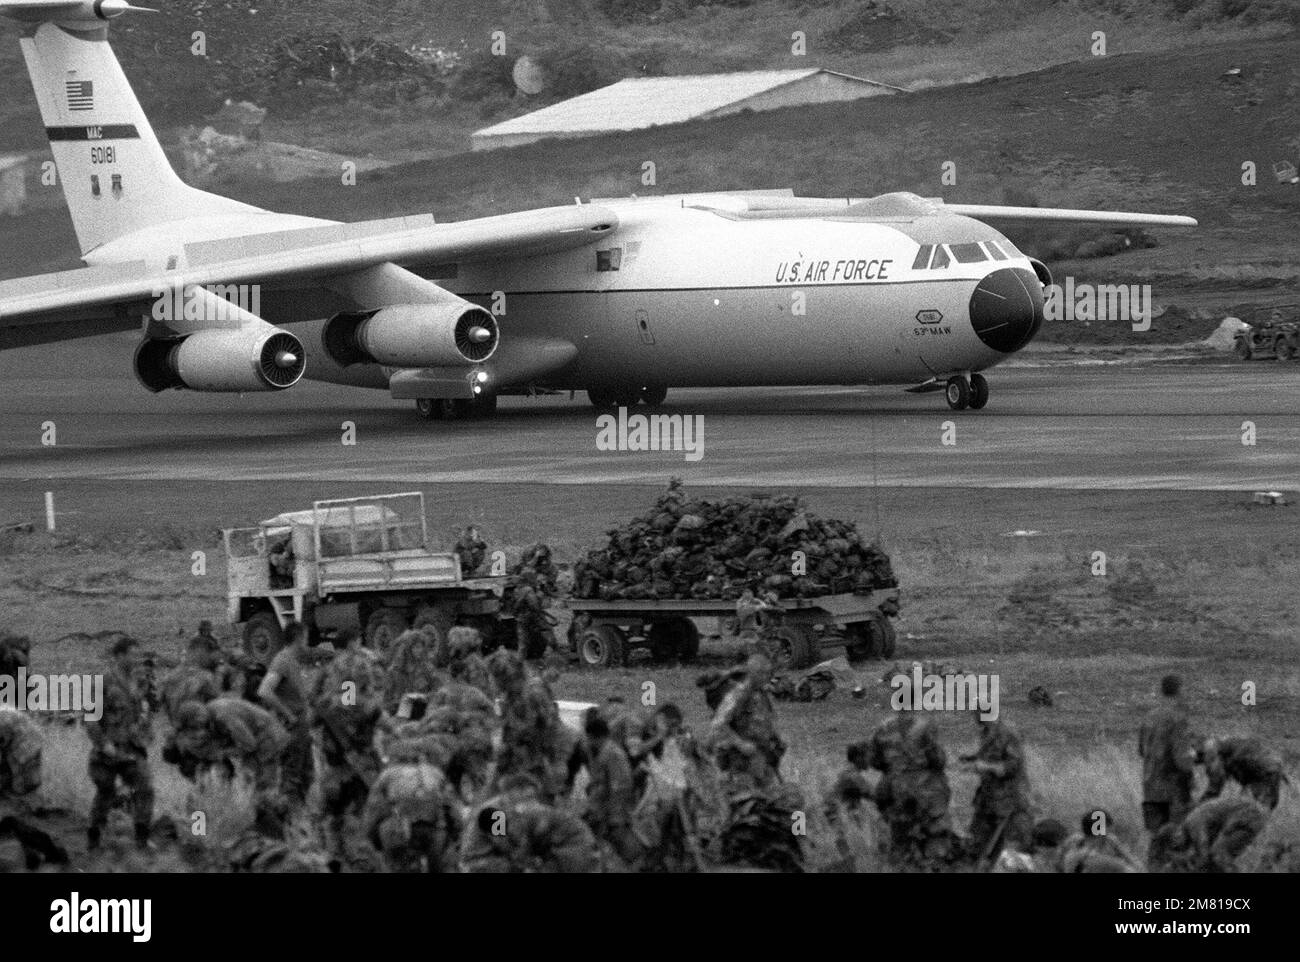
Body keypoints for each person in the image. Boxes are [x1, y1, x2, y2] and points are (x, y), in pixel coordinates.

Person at [87, 636, 155, 851]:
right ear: (119, 656)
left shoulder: (136, 683)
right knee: (105, 794)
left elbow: (140, 715)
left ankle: (142, 840)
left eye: (137, 655)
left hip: (131, 749)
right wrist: (103, 743)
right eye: (132, 655)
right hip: (107, 750)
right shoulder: (104, 682)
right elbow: (90, 718)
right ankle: (94, 837)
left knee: (145, 788)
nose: (136, 660)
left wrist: (145, 729)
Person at [865, 711, 953, 867]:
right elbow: (938, 760)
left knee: (900, 840)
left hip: (897, 792)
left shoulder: (883, 727)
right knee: (936, 839)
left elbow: (873, 760)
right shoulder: (925, 726)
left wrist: (894, 768)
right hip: (928, 792)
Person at [0, 706, 68, 870]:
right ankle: (31, 853)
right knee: (11, 808)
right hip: (18, 745)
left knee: (16, 807)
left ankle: (50, 851)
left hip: (24, 748)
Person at [706, 653, 786, 789]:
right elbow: (718, 724)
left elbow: (765, 720)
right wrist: (740, 744)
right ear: (751, 673)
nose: (766, 677)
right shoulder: (738, 694)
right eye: (761, 673)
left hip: (761, 753)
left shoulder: (761, 694)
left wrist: (776, 739)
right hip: (740, 757)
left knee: (768, 796)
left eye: (768, 673)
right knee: (744, 797)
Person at [256, 621, 315, 805]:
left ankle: (299, 817)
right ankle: (288, 817)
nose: (307, 642)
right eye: (305, 637)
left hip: (301, 728)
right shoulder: (282, 660)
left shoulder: (292, 661)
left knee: (307, 774)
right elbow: (264, 690)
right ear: (298, 638)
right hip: (292, 729)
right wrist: (288, 714)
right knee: (292, 777)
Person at [960, 712, 1032, 862]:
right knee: (975, 845)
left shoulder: (1008, 733)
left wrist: (985, 767)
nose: (974, 717)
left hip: (1008, 801)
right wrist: (971, 759)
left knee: (1009, 849)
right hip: (988, 799)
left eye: (976, 713)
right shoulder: (986, 732)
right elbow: (991, 756)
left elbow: (1013, 766)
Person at [1138, 674, 1197, 836]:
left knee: (1157, 840)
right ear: (1179, 691)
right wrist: (1194, 758)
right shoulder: (1179, 718)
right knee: (1178, 839)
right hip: (1174, 790)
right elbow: (1182, 760)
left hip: (1150, 787)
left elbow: (1142, 751)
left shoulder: (1149, 717)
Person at [583, 710, 642, 868]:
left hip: (611, 810)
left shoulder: (612, 754)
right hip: (604, 808)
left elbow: (619, 785)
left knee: (620, 841)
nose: (588, 742)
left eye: (589, 738)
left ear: (595, 736)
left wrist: (609, 811)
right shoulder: (607, 751)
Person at [1151, 796, 1268, 873]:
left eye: (1176, 846)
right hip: (1245, 816)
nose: (1181, 848)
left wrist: (1180, 864)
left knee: (1219, 857)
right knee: (1215, 860)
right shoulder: (1193, 827)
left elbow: (1204, 857)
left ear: (1177, 835)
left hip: (1248, 815)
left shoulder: (1193, 826)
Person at [1200, 736, 1284, 810]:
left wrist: (1199, 807)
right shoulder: (1227, 742)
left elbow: (1215, 785)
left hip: (1263, 770)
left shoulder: (1211, 748)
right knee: (1260, 808)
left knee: (1252, 810)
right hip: (1273, 765)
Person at [1059, 809, 1140, 873]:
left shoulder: (1110, 840)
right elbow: (1136, 868)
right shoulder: (1109, 862)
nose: (1111, 830)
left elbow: (1130, 858)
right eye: (1108, 827)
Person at [511, 568, 552, 660]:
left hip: (521, 619)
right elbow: (535, 606)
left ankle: (519, 662)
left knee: (522, 644)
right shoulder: (528, 590)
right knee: (547, 632)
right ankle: (550, 657)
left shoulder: (517, 590)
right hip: (531, 618)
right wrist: (539, 596)